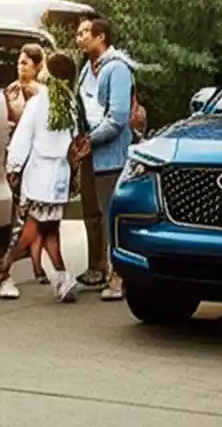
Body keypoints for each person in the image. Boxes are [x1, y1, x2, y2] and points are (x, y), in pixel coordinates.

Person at [0, 52, 85, 303]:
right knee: (47, 229)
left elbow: (23, 137)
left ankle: (6, 268)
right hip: (59, 177)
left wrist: (13, 166)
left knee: (33, 230)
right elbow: (73, 140)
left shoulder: (38, 103)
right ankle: (61, 278)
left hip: (40, 174)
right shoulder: (71, 105)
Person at [74, 17, 137, 301]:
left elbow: (118, 117)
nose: (79, 38)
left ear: (101, 37)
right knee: (91, 212)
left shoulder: (117, 69)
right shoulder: (86, 70)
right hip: (89, 153)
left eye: (85, 33)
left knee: (111, 213)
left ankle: (118, 274)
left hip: (110, 155)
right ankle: (96, 266)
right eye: (78, 34)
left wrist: (91, 140)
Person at [0, 44, 48, 286]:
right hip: (17, 154)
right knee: (21, 213)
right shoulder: (9, 91)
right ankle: (13, 265)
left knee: (38, 215)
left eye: (25, 63)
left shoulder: (44, 94)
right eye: (19, 63)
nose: (21, 68)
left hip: (39, 156)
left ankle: (30, 266)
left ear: (38, 66)